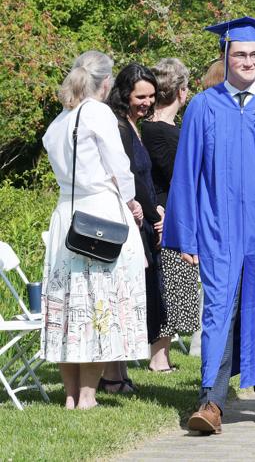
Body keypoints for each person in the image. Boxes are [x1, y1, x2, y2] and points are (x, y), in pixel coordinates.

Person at [163, 16, 255, 435]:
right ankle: (210, 401)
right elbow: (186, 176)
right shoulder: (203, 107)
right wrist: (186, 236)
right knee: (217, 312)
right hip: (218, 229)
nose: (247, 61)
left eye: (254, 54)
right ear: (225, 58)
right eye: (239, 54)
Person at [40, 50, 149, 409]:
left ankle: (71, 396)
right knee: (98, 300)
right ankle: (87, 396)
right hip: (99, 211)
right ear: (106, 83)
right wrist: (132, 202)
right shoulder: (97, 113)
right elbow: (119, 165)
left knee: (69, 304)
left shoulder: (60, 120)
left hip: (66, 214)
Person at [102, 63, 164, 393]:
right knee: (121, 298)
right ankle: (112, 376)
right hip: (130, 223)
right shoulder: (118, 126)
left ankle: (119, 372)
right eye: (141, 96)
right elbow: (131, 179)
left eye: (152, 96)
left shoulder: (133, 125)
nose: (148, 102)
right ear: (125, 94)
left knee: (131, 299)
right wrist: (155, 216)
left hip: (144, 219)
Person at [141, 58, 201, 372]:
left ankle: (161, 355)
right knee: (169, 287)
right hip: (165, 217)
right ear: (180, 92)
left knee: (171, 286)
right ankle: (158, 357)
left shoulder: (154, 128)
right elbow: (181, 177)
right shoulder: (162, 132)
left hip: (166, 214)